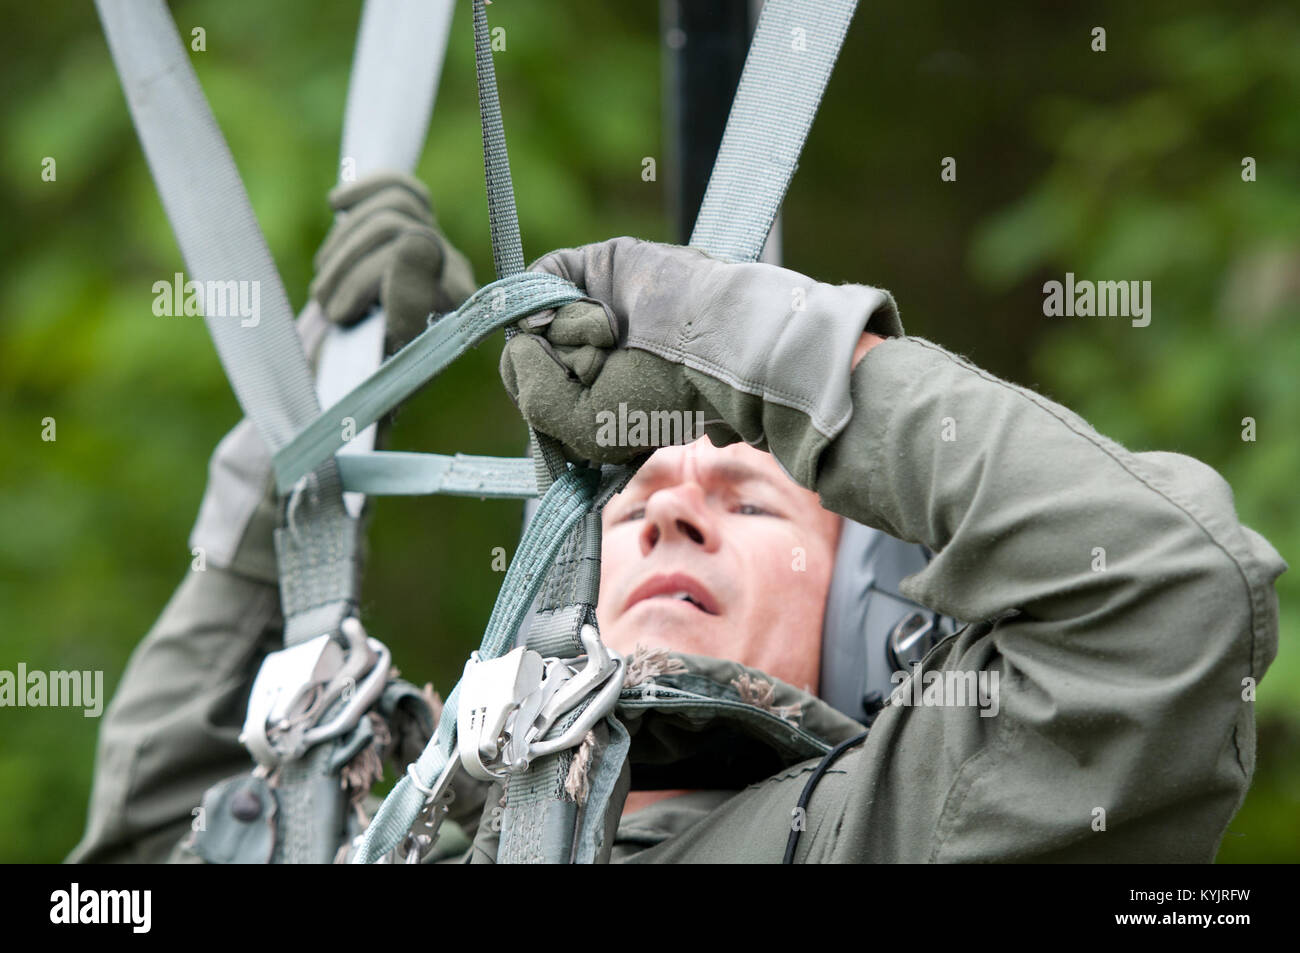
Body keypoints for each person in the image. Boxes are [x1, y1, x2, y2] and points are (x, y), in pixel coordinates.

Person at [70, 174, 1286, 864]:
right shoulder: (415, 839)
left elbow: (1165, 588)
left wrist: (719, 331)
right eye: (634, 498)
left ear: (881, 627)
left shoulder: (888, 831)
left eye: (747, 496)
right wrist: (310, 427)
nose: (671, 513)